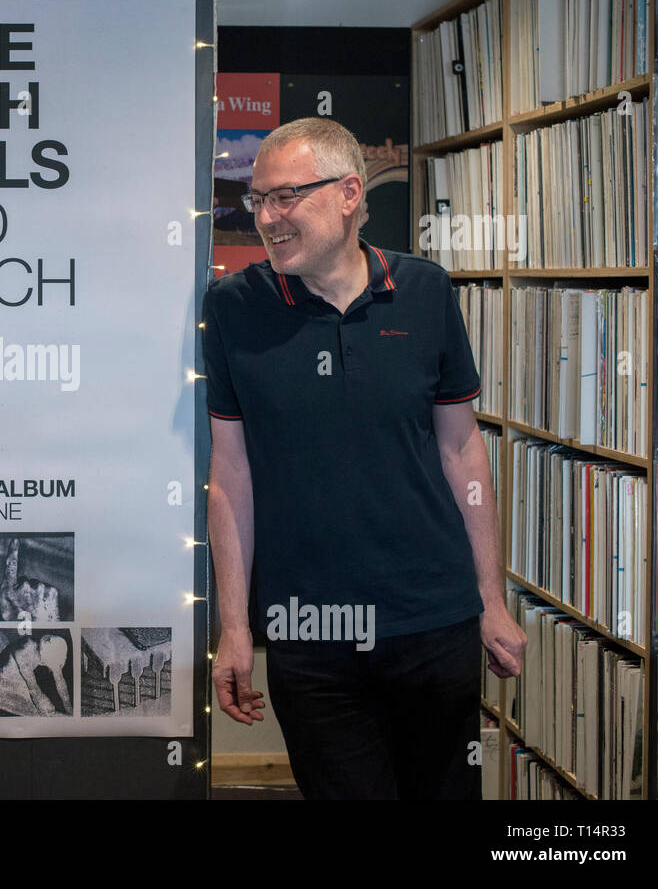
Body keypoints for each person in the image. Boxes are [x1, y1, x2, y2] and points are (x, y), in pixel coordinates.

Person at [202, 117, 526, 799]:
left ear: (350, 192)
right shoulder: (233, 309)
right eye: (257, 199)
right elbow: (230, 478)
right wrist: (235, 629)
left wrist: (490, 599)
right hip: (310, 636)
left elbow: (462, 450)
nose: (267, 217)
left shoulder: (426, 290)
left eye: (285, 196)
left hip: (435, 622)